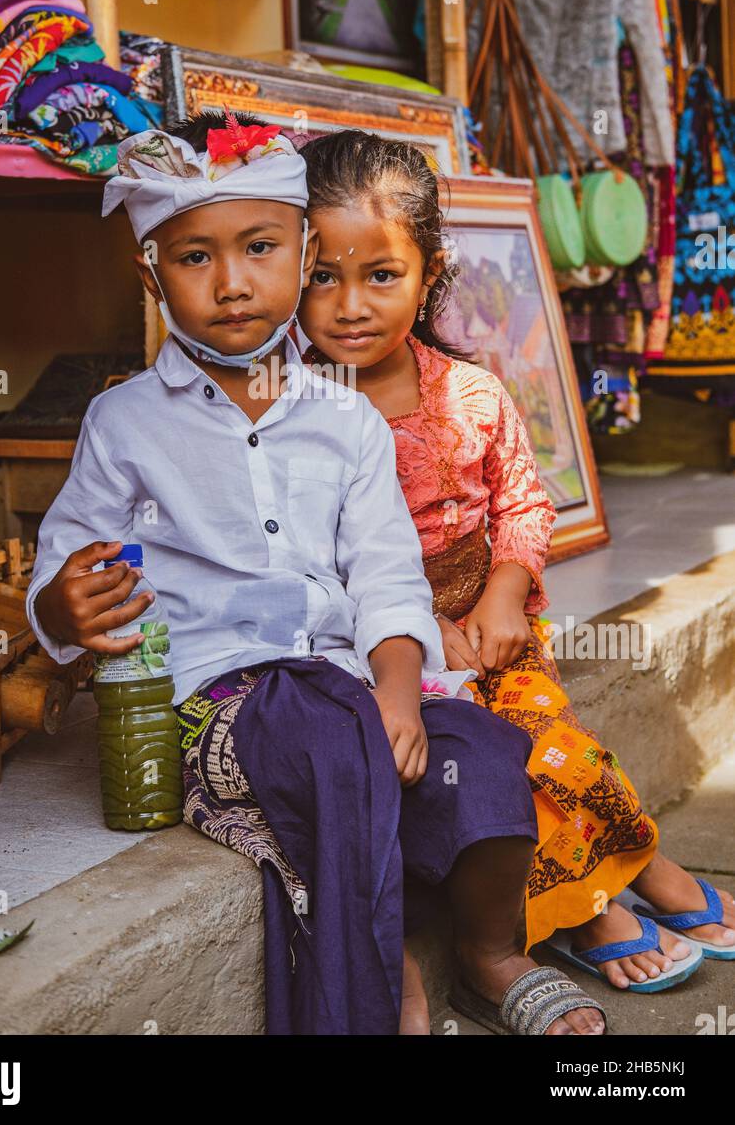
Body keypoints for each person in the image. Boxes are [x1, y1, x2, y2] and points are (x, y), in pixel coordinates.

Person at [24, 110, 608, 1036]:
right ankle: (380, 997)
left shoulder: (347, 426)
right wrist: (62, 601)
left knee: (488, 759)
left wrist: (402, 689)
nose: (231, 283)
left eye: (259, 248)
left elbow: (385, 575)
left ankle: (492, 954)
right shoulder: (125, 423)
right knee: (333, 748)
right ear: (150, 272)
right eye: (194, 258)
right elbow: (66, 561)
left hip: (343, 683)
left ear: (300, 251)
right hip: (211, 697)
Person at [297, 127, 735, 998]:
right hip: (386, 658)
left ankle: (637, 865)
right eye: (321, 277)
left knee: (557, 743)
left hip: (495, 636)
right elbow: (302, 560)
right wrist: (416, 639)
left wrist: (502, 599)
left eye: (380, 275)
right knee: (500, 764)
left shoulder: (473, 395)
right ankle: (584, 904)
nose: (351, 304)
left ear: (429, 274)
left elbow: (527, 508)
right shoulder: (292, 412)